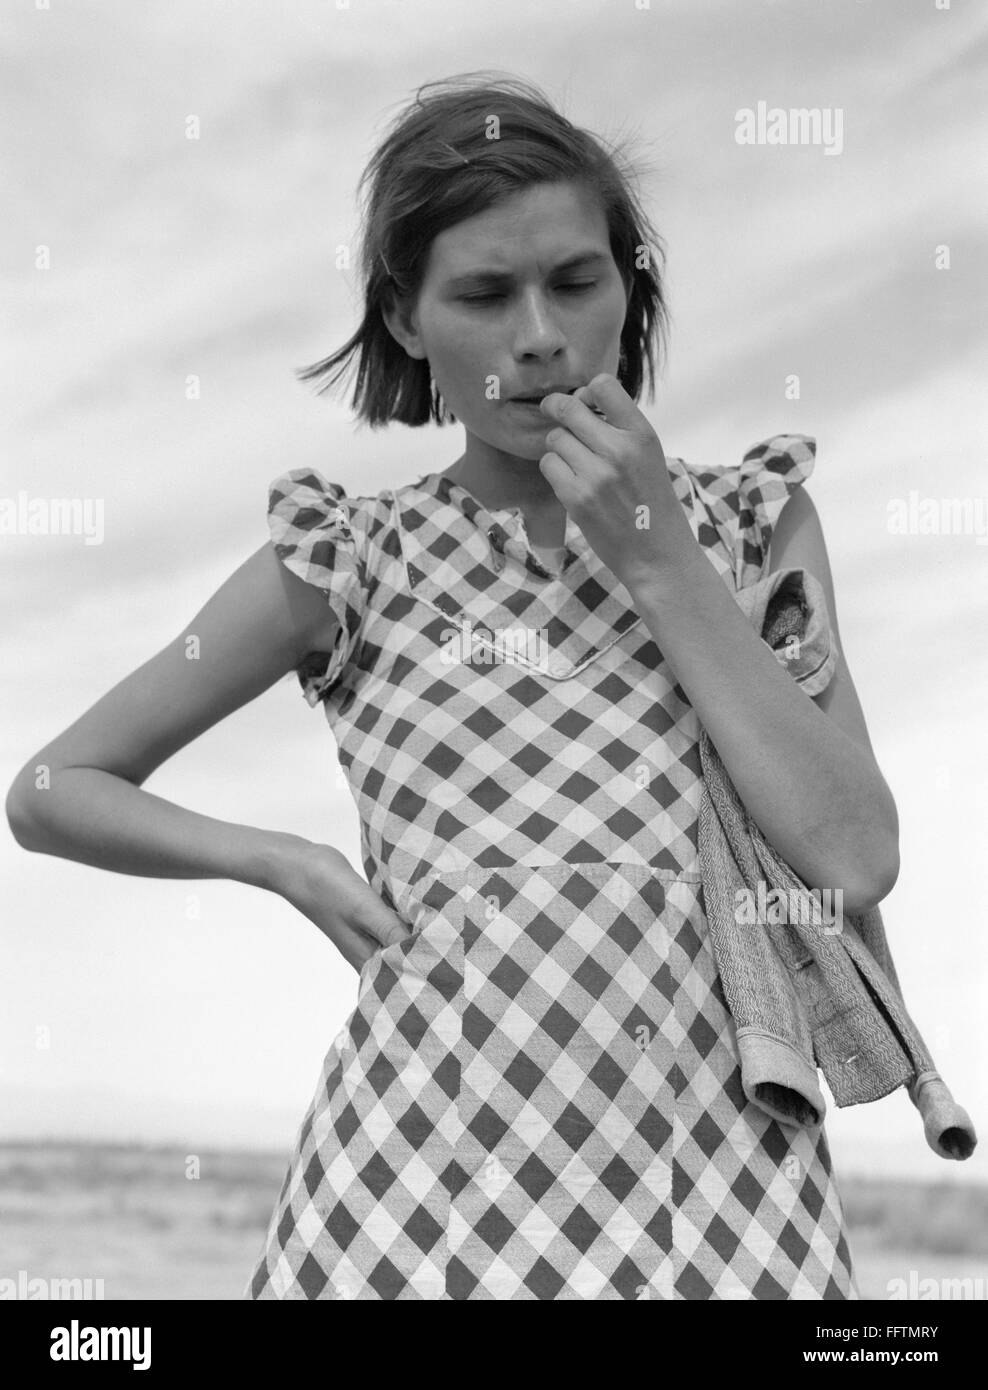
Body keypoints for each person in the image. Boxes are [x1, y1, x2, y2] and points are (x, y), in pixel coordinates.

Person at [6, 72, 900, 1301]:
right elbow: (53, 787)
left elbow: (851, 856)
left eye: (576, 281)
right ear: (409, 318)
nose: (539, 333)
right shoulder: (350, 560)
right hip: (409, 1201)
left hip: (730, 1197)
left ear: (626, 287)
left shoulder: (752, 527)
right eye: (484, 292)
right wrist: (278, 857)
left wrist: (654, 555)